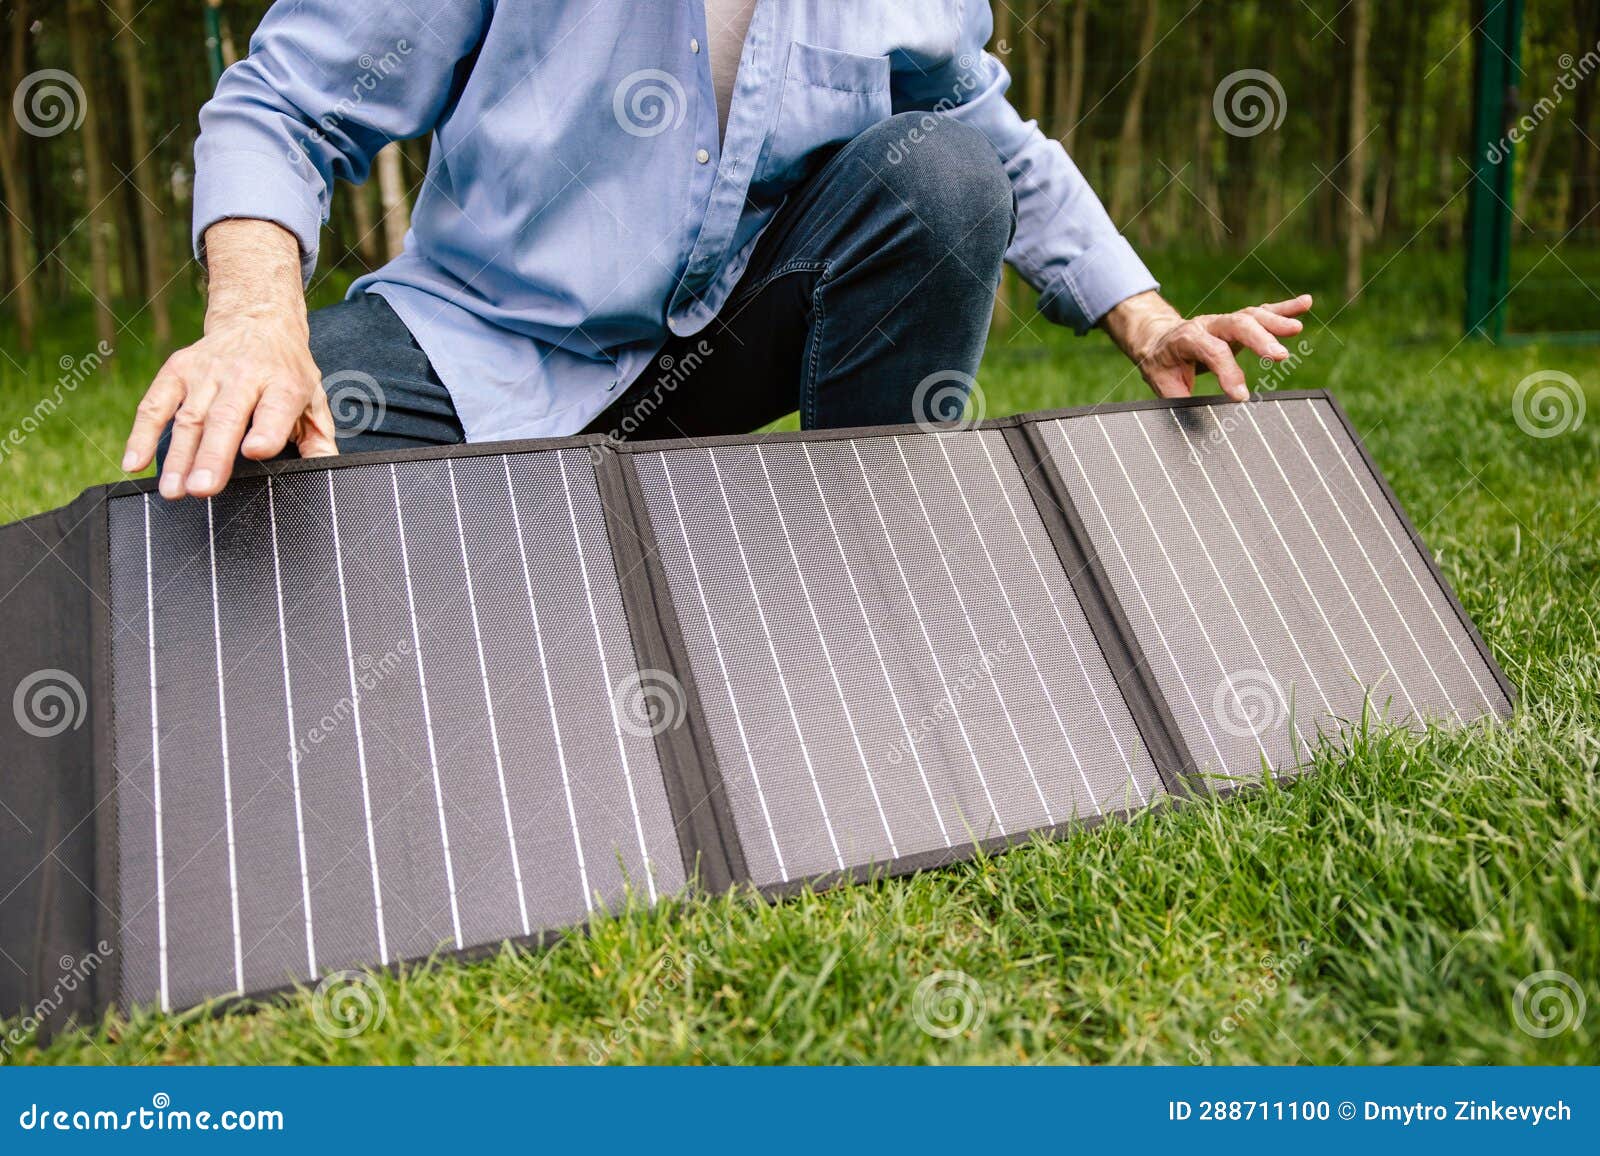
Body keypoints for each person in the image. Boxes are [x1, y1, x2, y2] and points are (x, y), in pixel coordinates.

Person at [121, 1, 1311, 500]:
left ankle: (859, 583)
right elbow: (284, 104)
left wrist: (1142, 313)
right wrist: (254, 325)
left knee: (941, 175)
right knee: (217, 483)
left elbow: (984, 137)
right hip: (479, 340)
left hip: (718, 344)